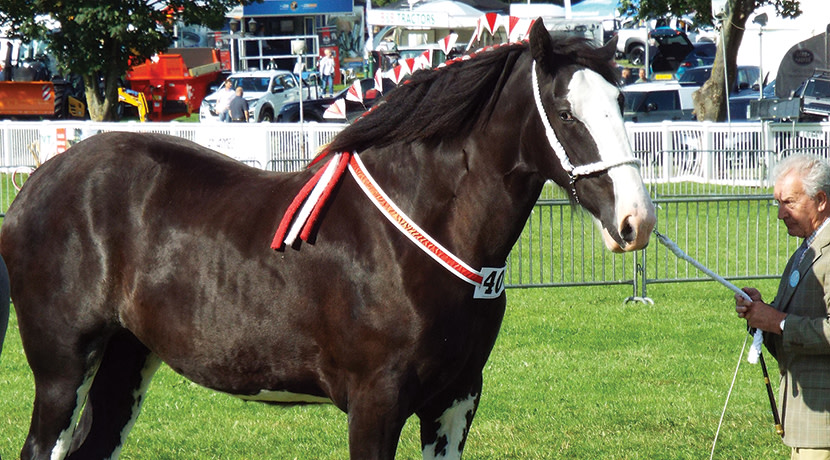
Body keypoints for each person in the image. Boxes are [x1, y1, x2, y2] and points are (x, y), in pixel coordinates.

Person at [736, 154, 830, 460]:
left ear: (821, 200)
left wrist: (778, 321)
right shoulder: (805, 250)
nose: (780, 214)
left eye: (788, 202)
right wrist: (761, 313)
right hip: (805, 424)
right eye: (777, 203)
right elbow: (793, 322)